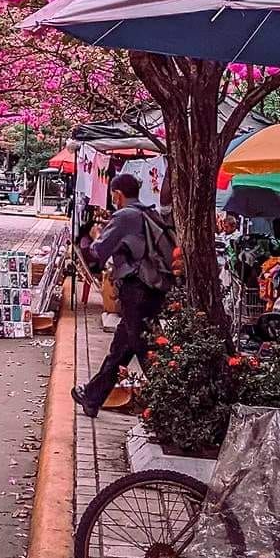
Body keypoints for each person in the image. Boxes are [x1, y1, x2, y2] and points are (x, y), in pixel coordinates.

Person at [72, 173, 173, 419]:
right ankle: (93, 397)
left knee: (141, 346)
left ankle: (169, 402)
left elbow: (98, 251)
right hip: (151, 288)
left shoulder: (125, 216)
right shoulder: (148, 213)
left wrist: (93, 236)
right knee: (122, 347)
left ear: (117, 194)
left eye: (113, 195)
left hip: (136, 288)